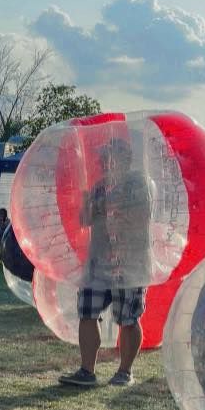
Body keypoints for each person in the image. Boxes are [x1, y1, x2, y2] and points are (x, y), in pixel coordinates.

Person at [59, 136, 154, 388]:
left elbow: (138, 214)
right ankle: (86, 370)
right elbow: (84, 220)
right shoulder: (99, 186)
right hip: (98, 263)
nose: (104, 162)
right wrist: (85, 203)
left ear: (125, 158)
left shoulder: (139, 183)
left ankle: (125, 371)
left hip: (130, 263)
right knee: (87, 312)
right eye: (103, 158)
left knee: (128, 318)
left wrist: (103, 204)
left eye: (109, 157)